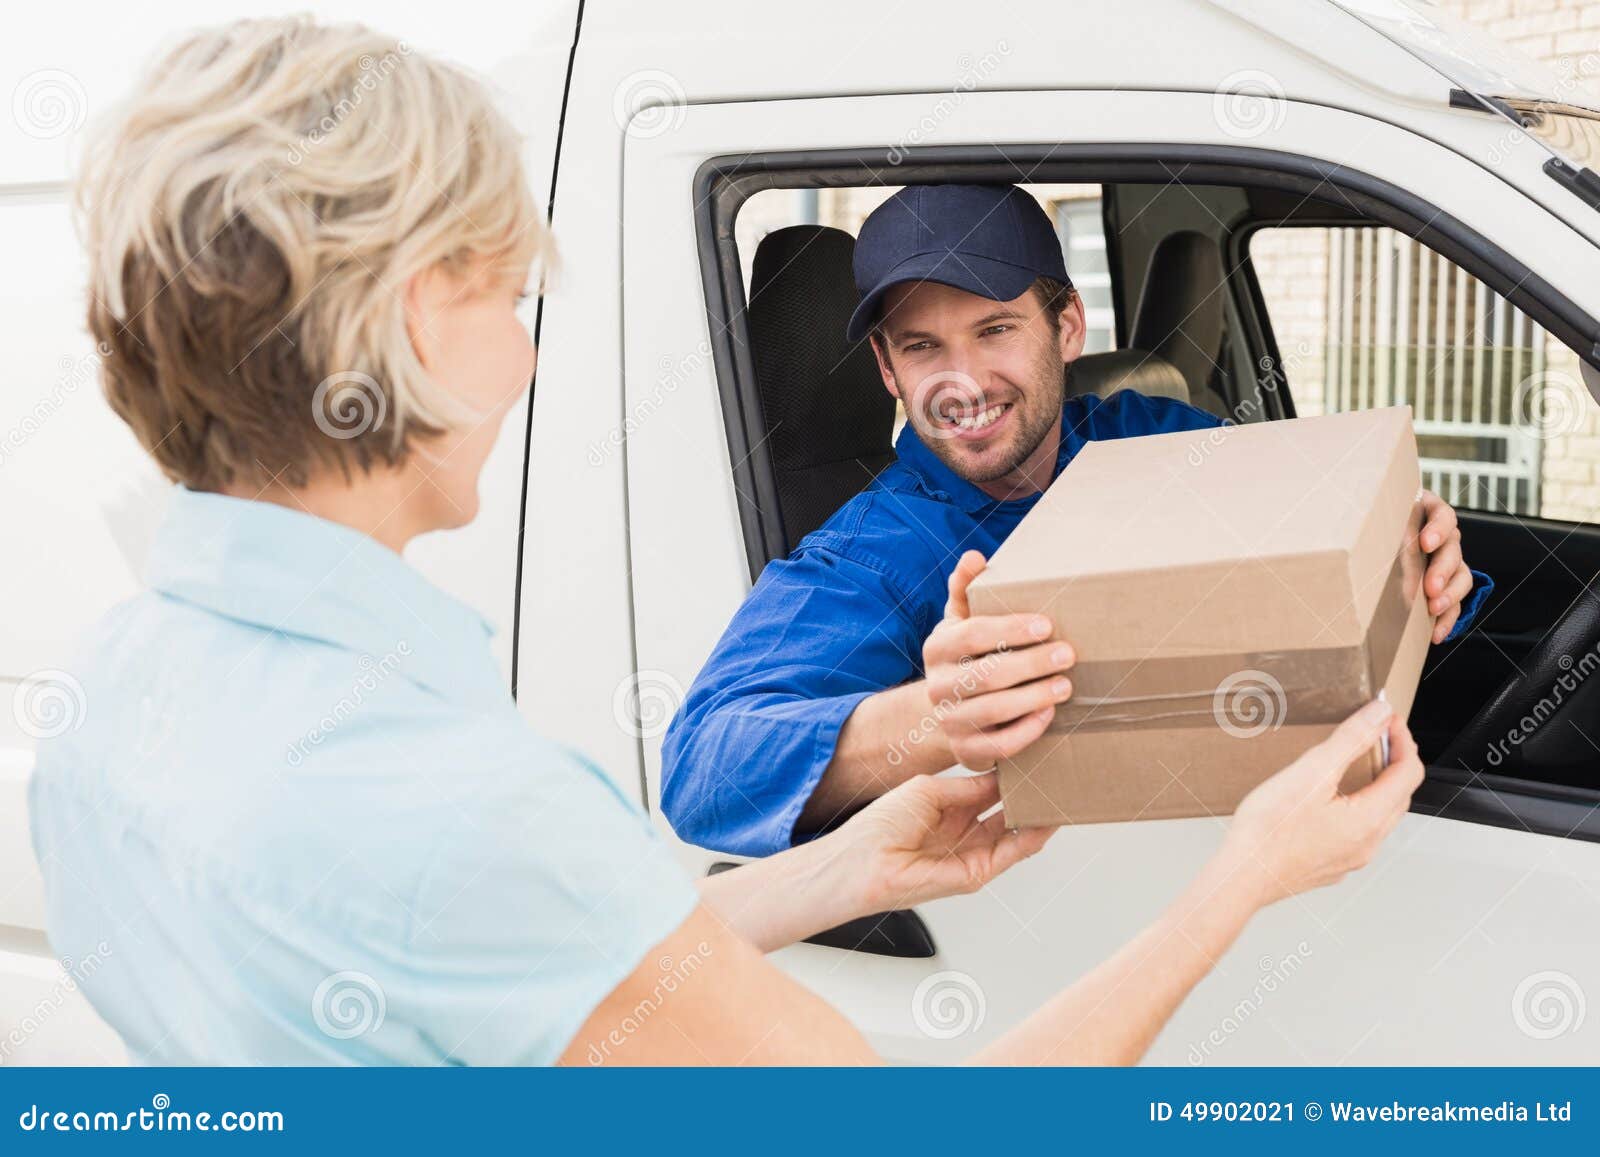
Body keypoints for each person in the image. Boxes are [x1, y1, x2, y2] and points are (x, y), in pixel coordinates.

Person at [31, 16, 1424, 1066]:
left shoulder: (112, 691)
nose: (526, 357)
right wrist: (1248, 872)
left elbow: (505, 979)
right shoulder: (464, 804)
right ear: (407, 325)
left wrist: (839, 869)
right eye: (507, 297)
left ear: (1064, 328)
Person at [660, 183, 1493, 856]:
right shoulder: (870, 555)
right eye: (922, 347)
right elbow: (702, 770)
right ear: (885, 367)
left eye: (995, 330)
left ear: (1065, 327)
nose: (964, 382)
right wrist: (937, 716)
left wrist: (1425, 566)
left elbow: (1315, 553)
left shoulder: (1147, 438)